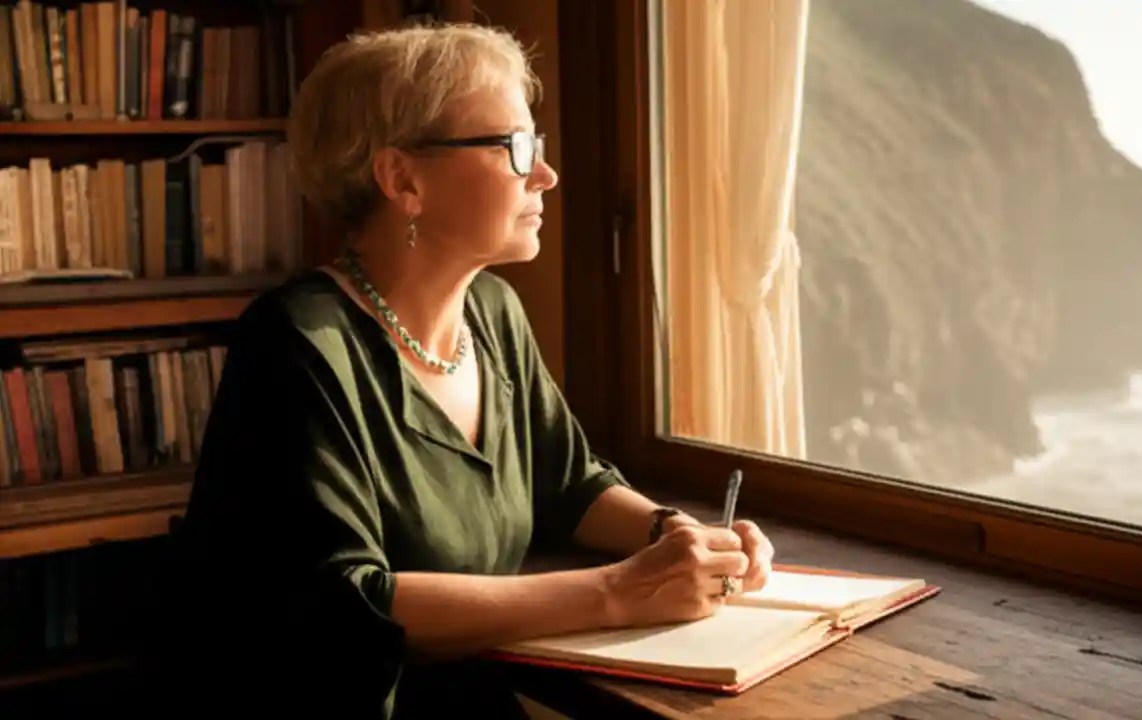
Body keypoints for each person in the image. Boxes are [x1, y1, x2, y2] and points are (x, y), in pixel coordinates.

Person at [149, 22, 776, 720]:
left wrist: (680, 538)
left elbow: (567, 486)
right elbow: (348, 601)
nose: (546, 173)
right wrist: (617, 591)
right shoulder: (298, 342)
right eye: (514, 146)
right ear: (402, 179)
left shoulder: (493, 310)